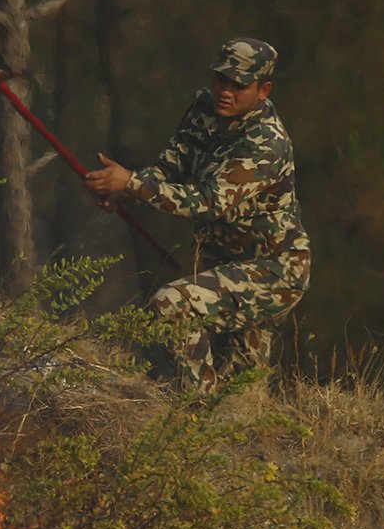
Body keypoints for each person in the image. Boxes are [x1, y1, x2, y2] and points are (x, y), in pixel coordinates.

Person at [82, 37, 310, 393]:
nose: (225, 92)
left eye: (239, 85)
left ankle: (192, 416)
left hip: (272, 272)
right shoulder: (205, 107)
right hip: (222, 265)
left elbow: (208, 202)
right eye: (221, 79)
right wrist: (127, 191)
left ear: (263, 90)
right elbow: (172, 164)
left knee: (173, 307)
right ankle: (208, 427)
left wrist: (134, 184)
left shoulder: (267, 143)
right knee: (240, 396)